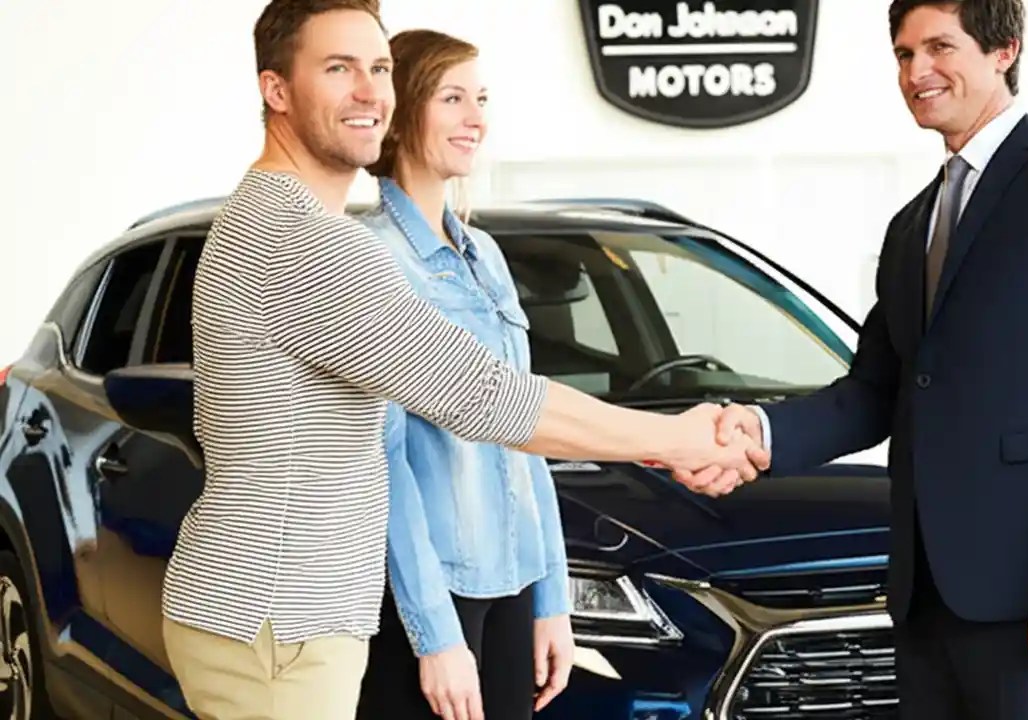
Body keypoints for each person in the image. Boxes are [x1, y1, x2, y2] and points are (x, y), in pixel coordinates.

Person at [160, 2, 763, 719]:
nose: (369, 90)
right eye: (338, 68)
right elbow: (486, 399)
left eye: (379, 67)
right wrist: (677, 438)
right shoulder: (309, 241)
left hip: (275, 614)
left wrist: (548, 590)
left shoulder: (279, 218)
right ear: (277, 90)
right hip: (281, 622)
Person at [684, 1, 1028, 718]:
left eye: (940, 47)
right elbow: (875, 392)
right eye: (904, 54)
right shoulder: (912, 224)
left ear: (1004, 50)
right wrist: (757, 432)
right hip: (927, 603)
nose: (917, 72)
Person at [351, 29, 572, 720]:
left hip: (512, 579)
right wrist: (436, 635)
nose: (476, 118)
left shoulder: (485, 255)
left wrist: (551, 598)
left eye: (482, 99)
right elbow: (382, 464)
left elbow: (526, 428)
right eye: (452, 98)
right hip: (431, 589)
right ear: (401, 111)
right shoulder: (370, 256)